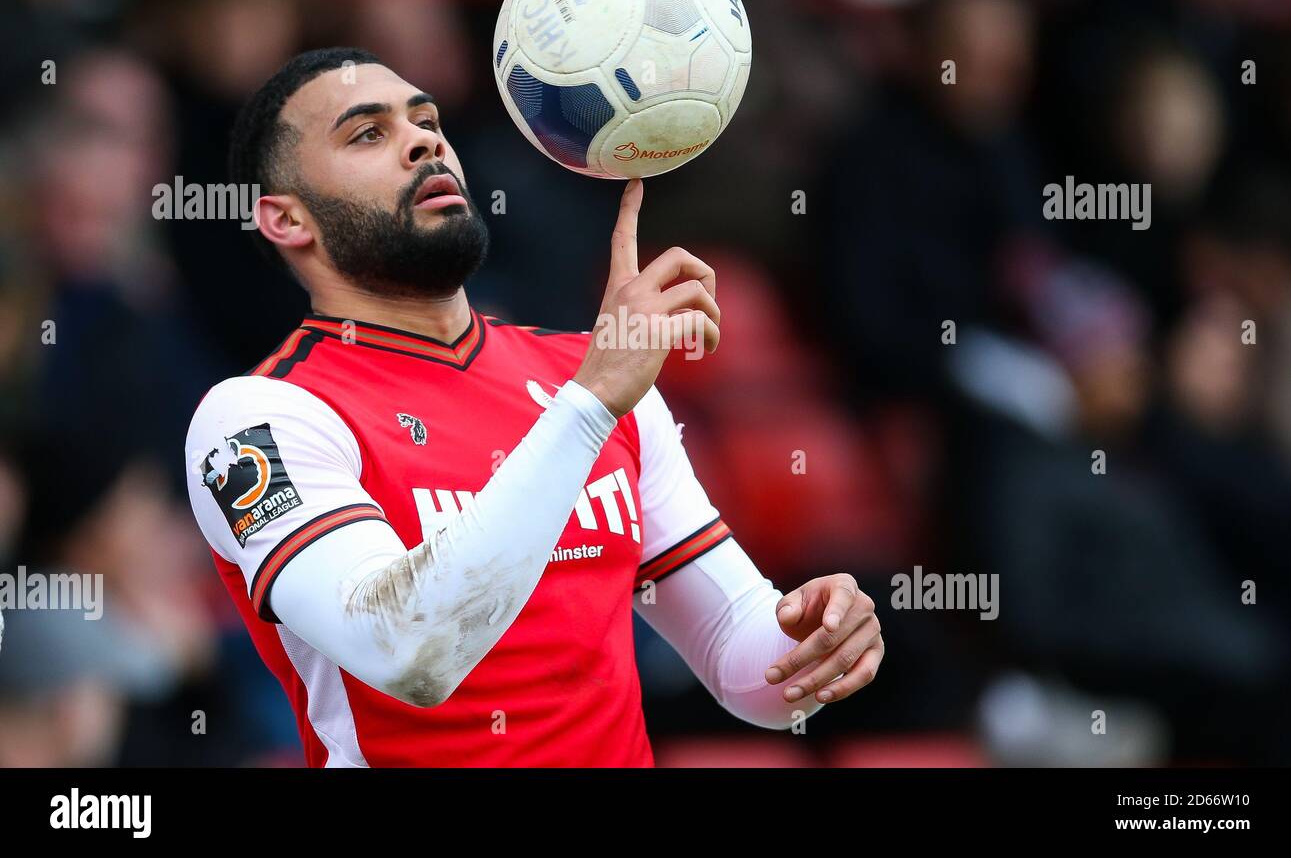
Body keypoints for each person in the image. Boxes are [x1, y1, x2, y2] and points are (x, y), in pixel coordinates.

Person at [182, 47, 883, 767]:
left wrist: (813, 645)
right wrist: (589, 406)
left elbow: (742, 663)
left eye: (426, 120)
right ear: (286, 219)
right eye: (368, 133)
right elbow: (406, 653)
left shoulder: (589, 377)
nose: (424, 140)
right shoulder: (260, 418)